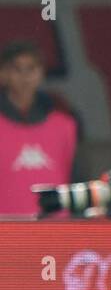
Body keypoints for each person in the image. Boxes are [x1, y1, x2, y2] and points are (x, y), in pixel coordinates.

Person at [0, 41, 78, 216]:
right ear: (3, 74)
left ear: (41, 73)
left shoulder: (65, 126)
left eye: (31, 68)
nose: (25, 76)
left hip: (55, 232)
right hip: (5, 232)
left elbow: (74, 182)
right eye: (17, 69)